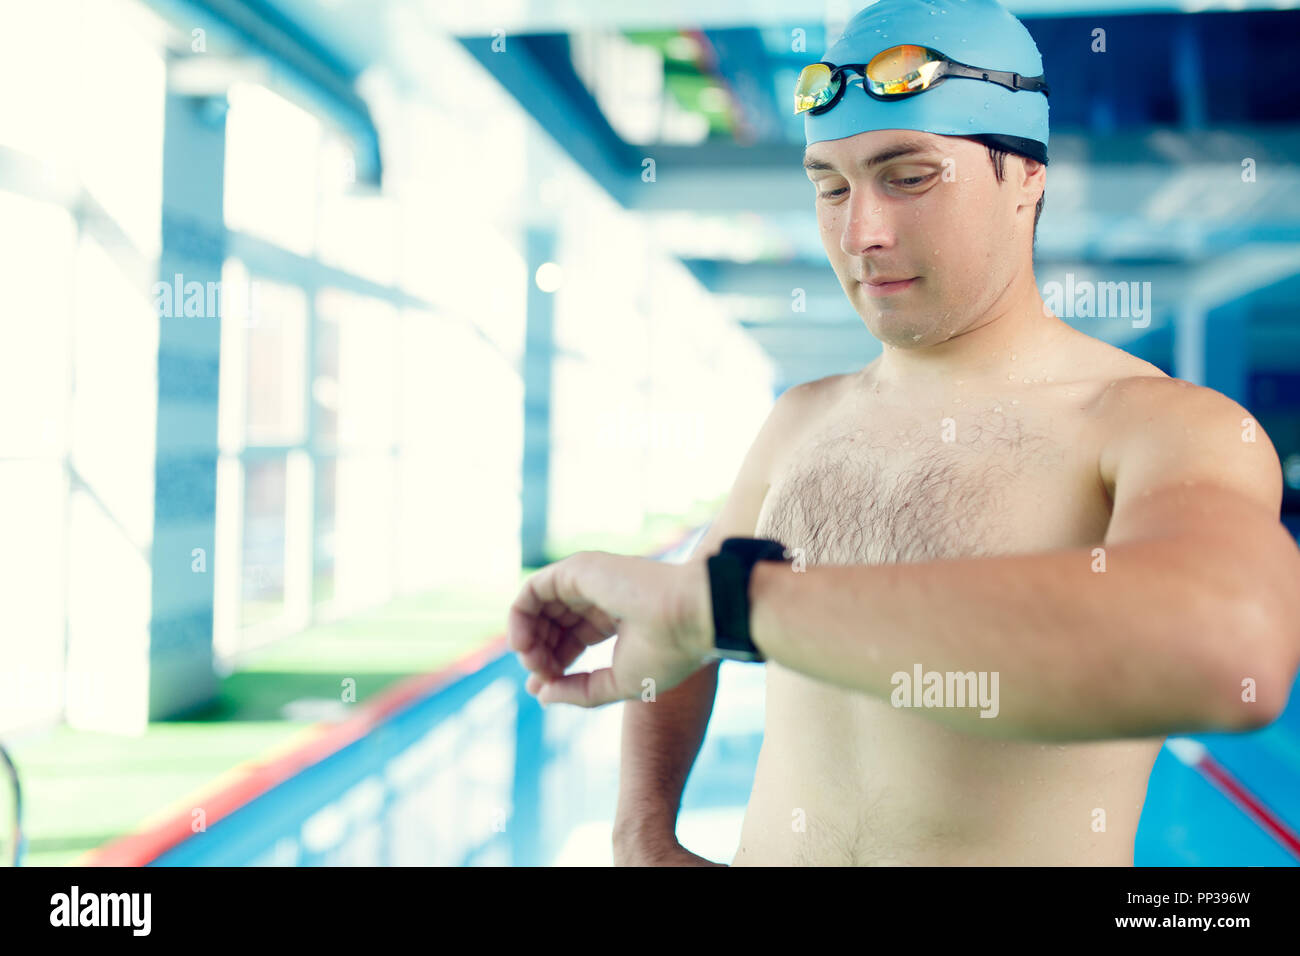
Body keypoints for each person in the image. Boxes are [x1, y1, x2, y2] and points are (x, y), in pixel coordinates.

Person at [505, 0, 1300, 866]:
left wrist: (729, 606)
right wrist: (642, 834)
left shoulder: (1162, 425)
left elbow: (1233, 646)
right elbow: (684, 630)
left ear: (1026, 175)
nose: (860, 235)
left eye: (909, 176)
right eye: (830, 186)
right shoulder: (801, 419)